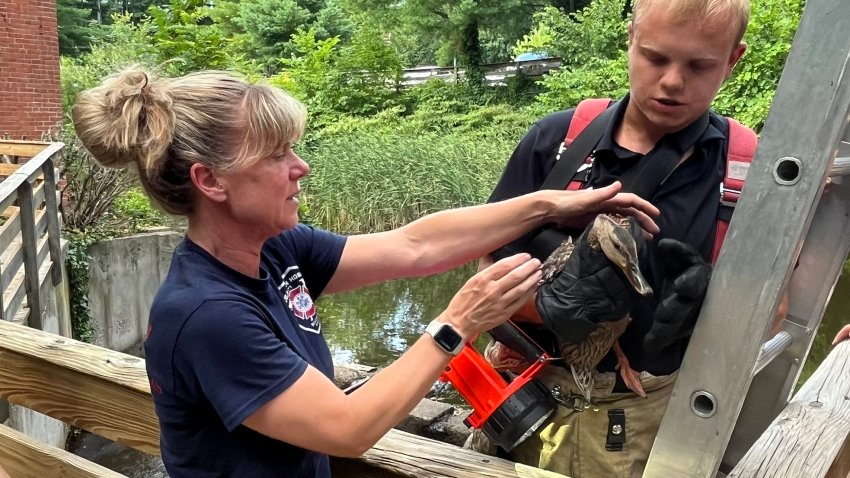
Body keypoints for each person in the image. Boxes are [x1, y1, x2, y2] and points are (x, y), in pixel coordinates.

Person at [70, 67, 660, 477]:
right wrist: (457, 323)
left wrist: (549, 204)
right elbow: (349, 428)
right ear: (211, 181)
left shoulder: (275, 249)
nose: (300, 167)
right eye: (276, 155)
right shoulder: (205, 313)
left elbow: (414, 246)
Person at [472, 0, 754, 476]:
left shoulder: (749, 169)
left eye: (700, 65)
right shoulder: (556, 140)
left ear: (733, 60)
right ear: (630, 40)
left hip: (654, 422)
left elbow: (775, 312)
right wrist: (549, 307)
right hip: (523, 399)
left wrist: (711, 316)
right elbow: (481, 274)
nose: (672, 81)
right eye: (655, 57)